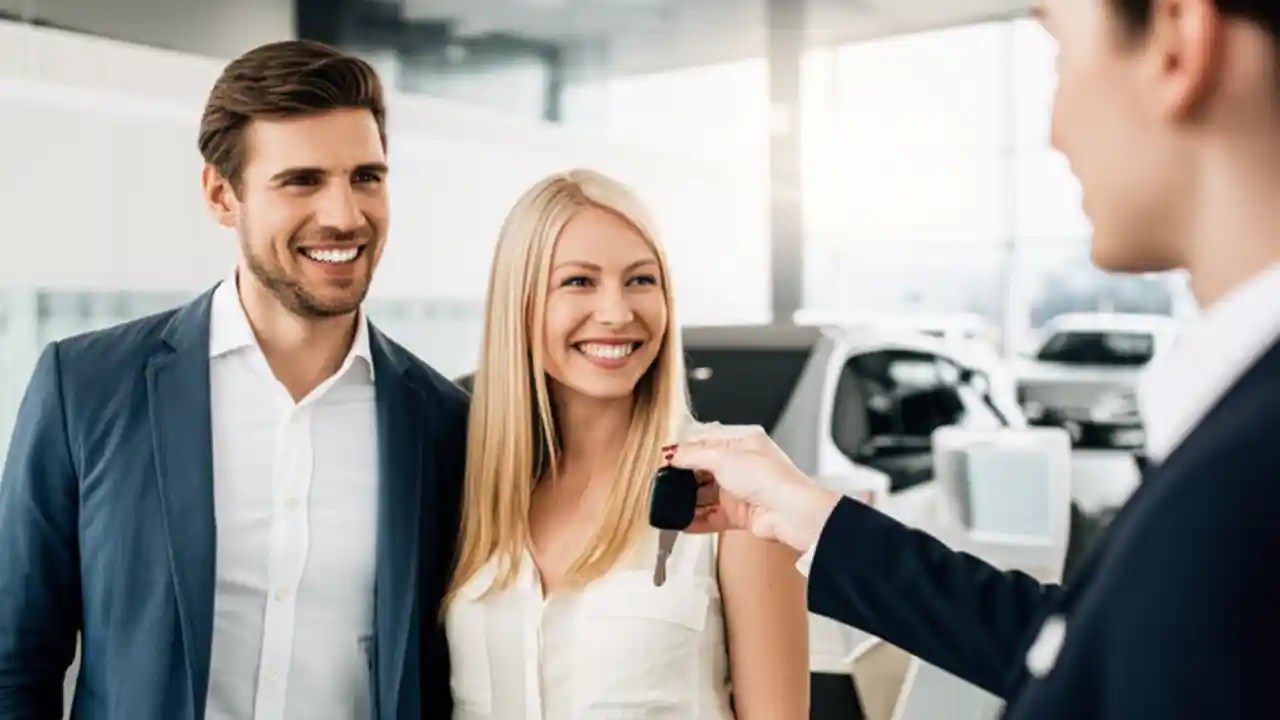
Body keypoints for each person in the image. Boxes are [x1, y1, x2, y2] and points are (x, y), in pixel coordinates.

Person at [671, 0, 1280, 718]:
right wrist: (811, 515)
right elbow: (1080, 645)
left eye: (1059, 54)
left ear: (1178, 42)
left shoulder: (1251, 468)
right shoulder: (1236, 429)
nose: (1054, 132)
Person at [0, 40, 468, 719]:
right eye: (302, 180)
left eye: (366, 176)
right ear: (222, 195)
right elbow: (14, 660)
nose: (344, 214)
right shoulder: (86, 390)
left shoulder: (443, 423)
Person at [442, 169, 809, 719]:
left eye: (640, 280)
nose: (617, 313)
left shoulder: (730, 491)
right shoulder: (464, 485)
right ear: (518, 304)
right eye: (579, 282)